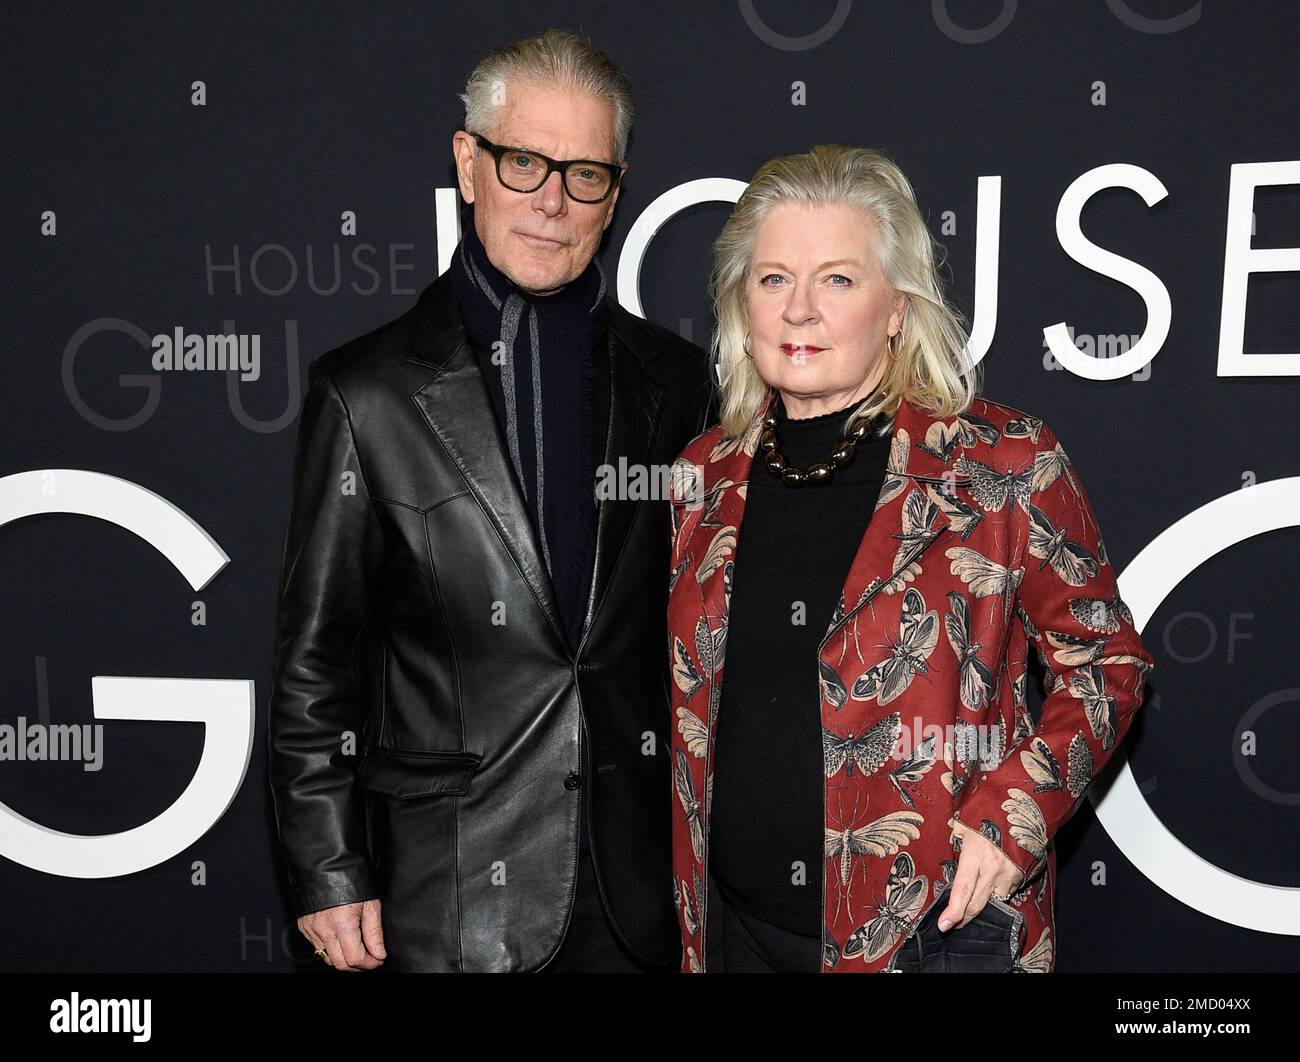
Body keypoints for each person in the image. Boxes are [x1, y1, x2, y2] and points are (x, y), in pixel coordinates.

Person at [268, 28, 711, 972]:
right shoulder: (368, 392)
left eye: (584, 174)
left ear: (616, 191)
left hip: (641, 893)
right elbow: (316, 664)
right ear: (469, 164)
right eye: (524, 164)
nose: (553, 201)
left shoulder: (680, 384)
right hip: (448, 890)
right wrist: (328, 867)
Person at [665, 144, 1155, 973]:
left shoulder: (1003, 463)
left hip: (928, 935)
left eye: (839, 279)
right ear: (741, 305)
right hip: (729, 931)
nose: (800, 312)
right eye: (774, 278)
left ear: (898, 308)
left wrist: (1014, 818)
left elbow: (1108, 663)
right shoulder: (700, 475)